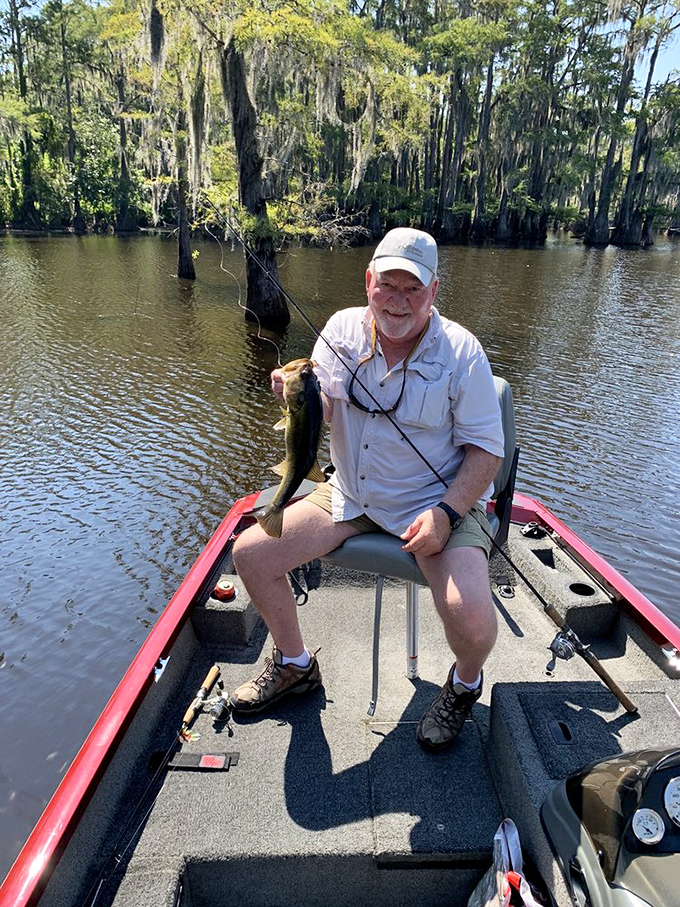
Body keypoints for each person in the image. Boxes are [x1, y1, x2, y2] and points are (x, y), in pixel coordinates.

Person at [230, 228, 505, 751]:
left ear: (433, 291)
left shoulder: (462, 353)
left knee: (473, 620)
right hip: (351, 494)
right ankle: (294, 665)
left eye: (413, 289)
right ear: (368, 281)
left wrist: (447, 513)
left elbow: (486, 453)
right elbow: (324, 411)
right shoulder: (340, 330)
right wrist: (295, 398)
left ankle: (464, 684)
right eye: (387, 285)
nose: (398, 301)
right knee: (252, 555)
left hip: (436, 502)